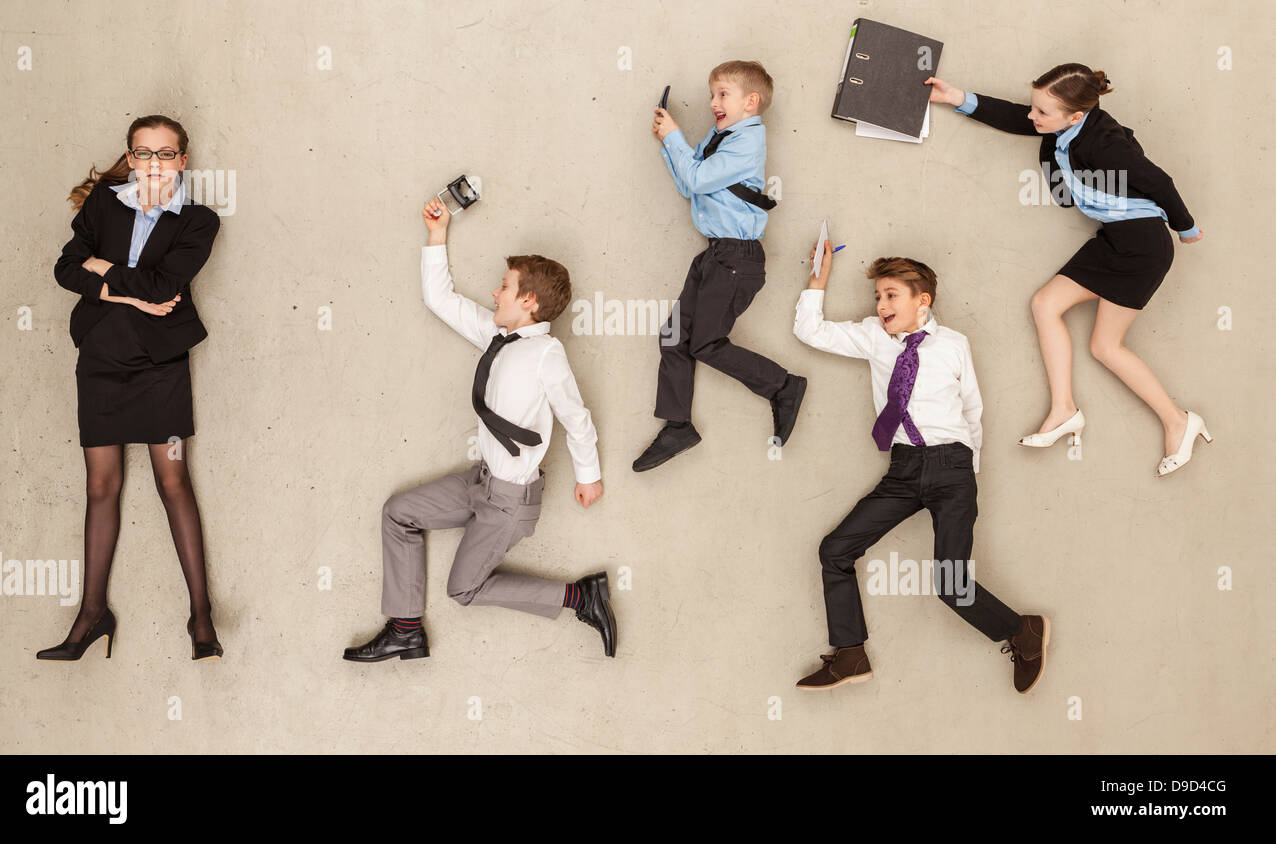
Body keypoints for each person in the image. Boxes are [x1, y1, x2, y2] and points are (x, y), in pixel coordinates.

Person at [343, 197, 616, 662]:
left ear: (528, 301)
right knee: (398, 512)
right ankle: (406, 630)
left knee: (463, 590)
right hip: (480, 482)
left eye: (504, 287)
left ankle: (580, 598)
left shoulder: (546, 353)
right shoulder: (497, 338)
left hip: (509, 502)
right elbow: (440, 300)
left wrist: (588, 476)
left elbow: (576, 417)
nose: (495, 293)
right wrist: (436, 234)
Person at [926, 64, 1210, 476]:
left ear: (1075, 116)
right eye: (1035, 107)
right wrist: (958, 98)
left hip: (1141, 246)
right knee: (1045, 305)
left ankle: (1179, 421)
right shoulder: (1061, 124)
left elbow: (1160, 182)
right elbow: (1016, 118)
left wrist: (1186, 228)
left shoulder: (1107, 145)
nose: (1032, 117)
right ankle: (1064, 410)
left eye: (1042, 112)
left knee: (1105, 347)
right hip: (1115, 237)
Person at [791, 244, 1048, 695]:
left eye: (891, 295)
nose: (881, 305)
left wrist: (969, 468)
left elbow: (973, 408)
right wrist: (819, 276)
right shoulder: (874, 337)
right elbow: (810, 330)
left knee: (950, 585)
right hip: (904, 470)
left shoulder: (954, 345)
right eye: (877, 297)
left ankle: (1021, 630)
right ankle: (850, 654)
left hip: (953, 468)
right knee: (834, 550)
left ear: (921, 300)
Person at [41, 115, 223, 662]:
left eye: (165, 154)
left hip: (159, 367)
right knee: (100, 487)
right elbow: (66, 270)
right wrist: (128, 297)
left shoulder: (198, 221)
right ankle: (92, 615)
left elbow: (165, 285)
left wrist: (109, 274)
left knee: (174, 484)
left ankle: (201, 616)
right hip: (100, 360)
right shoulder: (104, 204)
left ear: (182, 161)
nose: (153, 164)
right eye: (143, 153)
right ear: (131, 156)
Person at [633, 60, 807, 472]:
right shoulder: (719, 136)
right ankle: (678, 426)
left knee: (706, 342)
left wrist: (675, 137)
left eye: (722, 94)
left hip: (737, 258)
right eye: (713, 94)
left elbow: (695, 179)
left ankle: (783, 385)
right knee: (674, 337)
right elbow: (688, 183)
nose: (713, 102)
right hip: (715, 255)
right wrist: (668, 144)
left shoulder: (748, 142)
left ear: (751, 101)